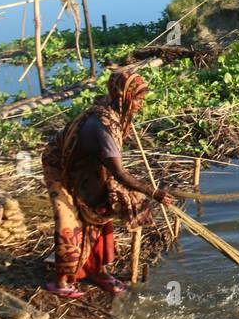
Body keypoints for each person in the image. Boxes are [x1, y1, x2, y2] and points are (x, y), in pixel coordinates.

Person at [41, 71, 173, 297]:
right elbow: (120, 173)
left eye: (142, 99)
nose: (141, 104)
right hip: (61, 166)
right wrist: (153, 192)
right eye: (138, 99)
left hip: (89, 167)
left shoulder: (113, 110)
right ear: (123, 97)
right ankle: (61, 282)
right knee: (69, 222)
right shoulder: (102, 126)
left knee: (101, 209)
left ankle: (97, 271)